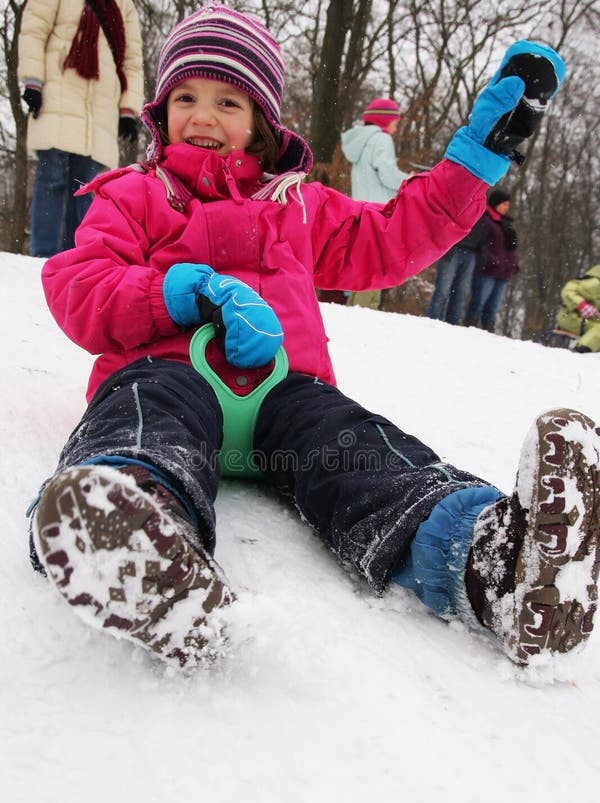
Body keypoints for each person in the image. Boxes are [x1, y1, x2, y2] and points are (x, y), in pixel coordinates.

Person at [28, 7, 599, 673]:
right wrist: (174, 291)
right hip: (167, 370)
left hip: (286, 391)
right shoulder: (134, 195)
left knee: (360, 455)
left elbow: (392, 239)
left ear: (264, 121)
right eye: (185, 97)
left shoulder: (300, 207)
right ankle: (132, 524)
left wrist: (474, 160)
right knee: (145, 414)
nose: (203, 116)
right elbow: (81, 286)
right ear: (161, 112)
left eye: (227, 100)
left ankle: (493, 561)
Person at [18, 0, 144, 258]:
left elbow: (132, 60)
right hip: (58, 93)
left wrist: (128, 109)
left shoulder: (123, 5)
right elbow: (34, 29)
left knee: (85, 189)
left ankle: (75, 259)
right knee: (51, 177)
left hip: (100, 108)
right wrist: (33, 81)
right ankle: (43, 257)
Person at [341, 97, 410, 309]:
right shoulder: (381, 139)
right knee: (374, 266)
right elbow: (387, 173)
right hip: (379, 211)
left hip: (361, 209)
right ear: (384, 120)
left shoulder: (361, 141)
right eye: (396, 122)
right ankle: (365, 311)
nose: (397, 127)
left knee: (362, 263)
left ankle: (355, 308)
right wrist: (409, 181)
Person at [463, 188, 519, 331]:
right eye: (504, 204)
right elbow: (482, 244)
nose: (507, 207)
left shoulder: (507, 224)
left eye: (508, 204)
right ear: (496, 203)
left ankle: (488, 333)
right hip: (487, 270)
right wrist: (491, 260)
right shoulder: (486, 220)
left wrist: (513, 264)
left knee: (493, 307)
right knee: (478, 303)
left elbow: (510, 250)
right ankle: (470, 328)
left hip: (503, 272)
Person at [426, 216, 486, 324]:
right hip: (452, 248)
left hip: (472, 251)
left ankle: (453, 325)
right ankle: (433, 321)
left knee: (460, 293)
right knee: (442, 290)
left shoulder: (481, 208)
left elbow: (483, 231)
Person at [556, 264, 600, 353]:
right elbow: (568, 290)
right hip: (569, 316)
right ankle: (581, 350)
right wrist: (582, 305)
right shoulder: (595, 284)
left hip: (587, 318)